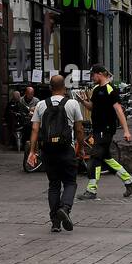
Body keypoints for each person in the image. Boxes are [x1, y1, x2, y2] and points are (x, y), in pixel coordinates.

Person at [27, 74, 86, 233]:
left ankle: (55, 222)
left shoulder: (40, 105)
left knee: (53, 184)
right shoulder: (72, 104)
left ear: (51, 88)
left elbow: (34, 129)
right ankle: (65, 208)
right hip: (67, 149)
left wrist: (32, 151)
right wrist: (81, 148)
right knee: (70, 182)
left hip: (48, 150)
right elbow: (79, 129)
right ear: (64, 88)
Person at [80, 64, 132, 200]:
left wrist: (126, 131)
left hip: (105, 129)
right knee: (107, 159)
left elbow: (119, 111)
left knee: (95, 157)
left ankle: (91, 189)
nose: (92, 78)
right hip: (97, 129)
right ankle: (129, 181)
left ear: (100, 74)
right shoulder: (95, 89)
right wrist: (82, 101)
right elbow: (92, 107)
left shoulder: (111, 89)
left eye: (93, 75)